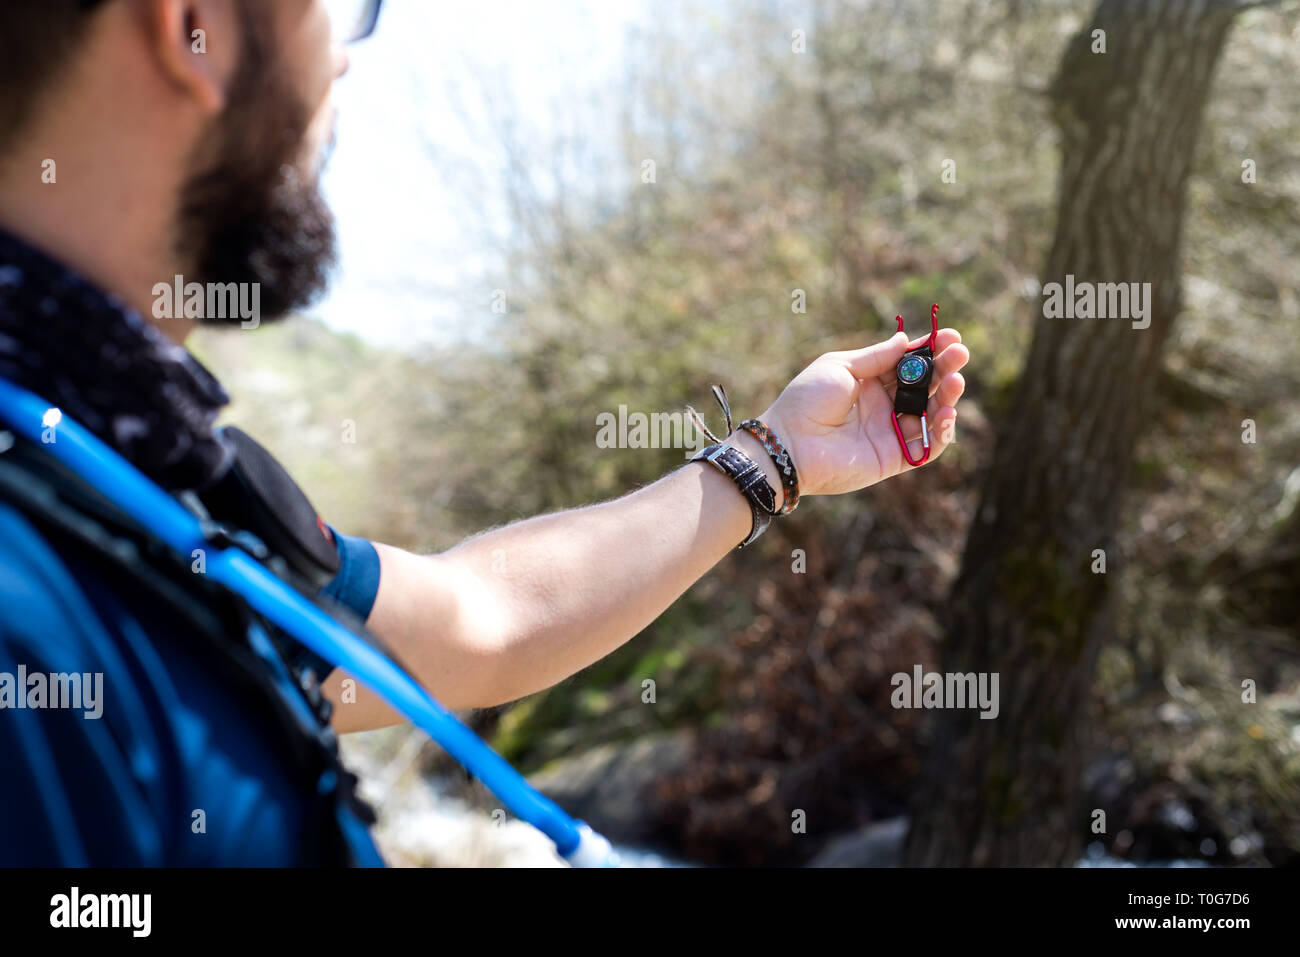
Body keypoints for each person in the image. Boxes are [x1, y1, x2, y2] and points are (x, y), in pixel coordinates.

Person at [0, 0, 969, 865]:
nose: (345, 59)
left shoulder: (140, 484)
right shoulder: (27, 605)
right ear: (193, 28)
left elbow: (481, 627)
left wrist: (775, 458)